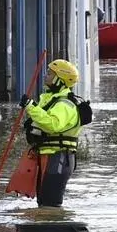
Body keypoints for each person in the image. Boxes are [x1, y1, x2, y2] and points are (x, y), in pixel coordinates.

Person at [18, 59, 85, 208]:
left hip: (59, 157)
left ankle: (54, 228)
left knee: (50, 204)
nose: (45, 76)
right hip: (47, 156)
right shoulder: (49, 100)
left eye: (50, 74)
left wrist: (31, 107)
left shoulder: (65, 104)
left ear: (59, 79)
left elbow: (52, 125)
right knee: (43, 203)